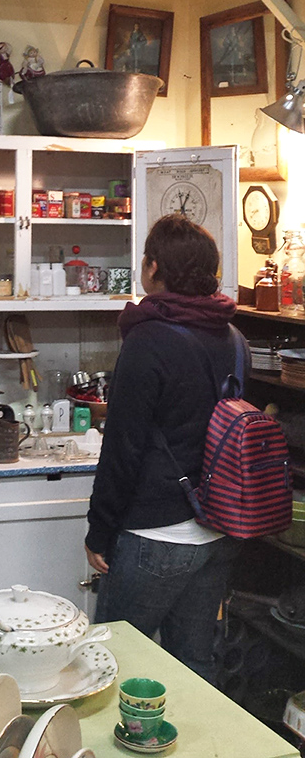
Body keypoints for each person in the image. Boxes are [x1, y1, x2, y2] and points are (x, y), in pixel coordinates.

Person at [84, 213, 248, 684]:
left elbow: (123, 447)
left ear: (153, 267)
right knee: (194, 668)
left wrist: (100, 531)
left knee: (112, 665)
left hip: (158, 535)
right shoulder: (236, 339)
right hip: (220, 532)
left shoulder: (148, 340)